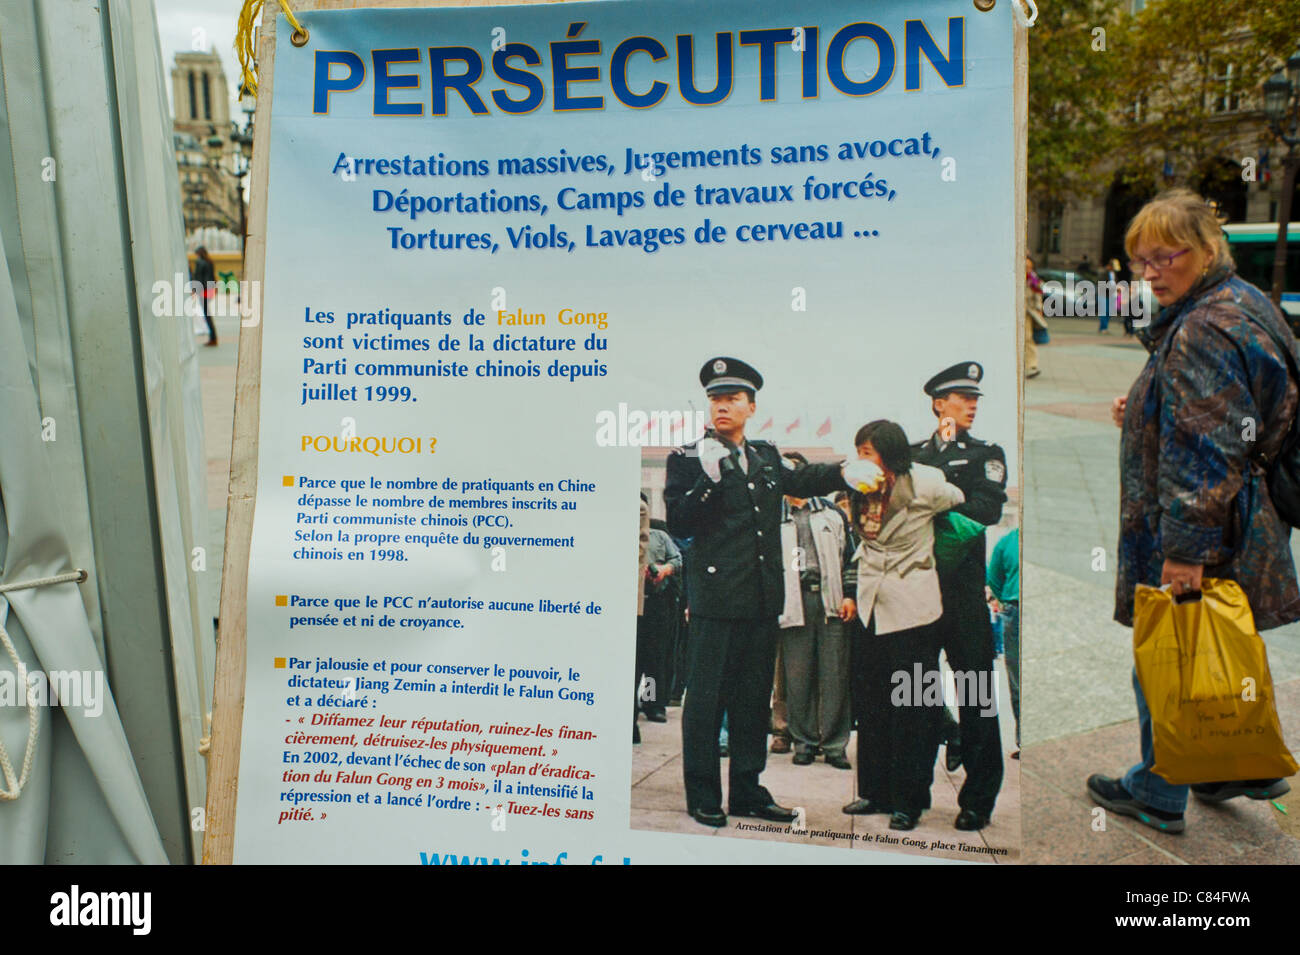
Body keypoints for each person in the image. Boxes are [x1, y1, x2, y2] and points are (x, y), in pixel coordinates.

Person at [1087, 188, 1300, 833]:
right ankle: (1232, 762)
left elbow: (1205, 450)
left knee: (1170, 653)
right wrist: (1147, 408)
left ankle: (1158, 789)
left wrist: (1185, 552)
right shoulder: (1240, 302)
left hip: (1204, 526)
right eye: (1138, 261)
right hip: (1246, 518)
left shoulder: (1204, 326)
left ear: (1207, 249)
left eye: (1163, 257)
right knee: (1220, 644)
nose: (1149, 273)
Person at [665, 357, 878, 828]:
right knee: (704, 704)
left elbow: (802, 479)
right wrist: (709, 481)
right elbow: (679, 522)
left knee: (751, 702)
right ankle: (703, 794)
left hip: (762, 602)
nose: (722, 406)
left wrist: (845, 472)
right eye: (716, 399)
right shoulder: (685, 457)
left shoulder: (764, 455)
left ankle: (747, 791)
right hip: (716, 602)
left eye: (732, 399)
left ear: (750, 406)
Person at [841, 420, 964, 830]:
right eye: (858, 451)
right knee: (872, 705)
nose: (861, 459)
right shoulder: (857, 484)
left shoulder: (925, 482)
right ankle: (875, 792)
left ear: (890, 454)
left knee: (913, 706)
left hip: (914, 608)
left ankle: (910, 800)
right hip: (872, 606)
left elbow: (959, 497)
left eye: (868, 452)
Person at [912, 361, 1008, 831]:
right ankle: (910, 796)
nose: (972, 404)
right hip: (915, 598)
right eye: (961, 397)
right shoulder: (910, 455)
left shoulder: (986, 454)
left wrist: (926, 526)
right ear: (938, 404)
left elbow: (986, 508)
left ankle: (979, 799)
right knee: (915, 695)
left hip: (964, 597)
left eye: (975, 398)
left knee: (975, 698)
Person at [776, 456, 857, 769]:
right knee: (797, 677)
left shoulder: (831, 512)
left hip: (830, 601)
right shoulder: (775, 514)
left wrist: (849, 594)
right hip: (793, 602)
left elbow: (851, 556)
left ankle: (835, 745)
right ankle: (804, 741)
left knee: (835, 675)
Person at [637, 519, 681, 723]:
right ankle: (631, 707)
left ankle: (651, 703)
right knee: (634, 660)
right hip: (631, 603)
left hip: (655, 602)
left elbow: (677, 559)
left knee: (654, 657)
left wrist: (663, 570)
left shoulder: (660, 537)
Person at [987, 528, 1020, 757]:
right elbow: (994, 578)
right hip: (1014, 609)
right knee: (1017, 678)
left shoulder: (1008, 541)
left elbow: (994, 579)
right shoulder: (1007, 542)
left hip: (1015, 607)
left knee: (1019, 678)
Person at [191, 246, 217, 346]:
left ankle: (213, 337)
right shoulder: (209, 261)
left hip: (203, 290)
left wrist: (194, 290)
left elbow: (197, 277)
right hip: (210, 289)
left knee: (207, 314)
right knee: (208, 313)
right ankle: (213, 337)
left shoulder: (199, 262)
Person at [1025, 256, 1044, 379]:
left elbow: (1038, 296)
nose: (1027, 268)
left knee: (1027, 338)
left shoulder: (1033, 280)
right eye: (1025, 266)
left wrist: (1039, 308)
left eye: (1029, 267)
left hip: (1027, 312)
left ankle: (1032, 366)